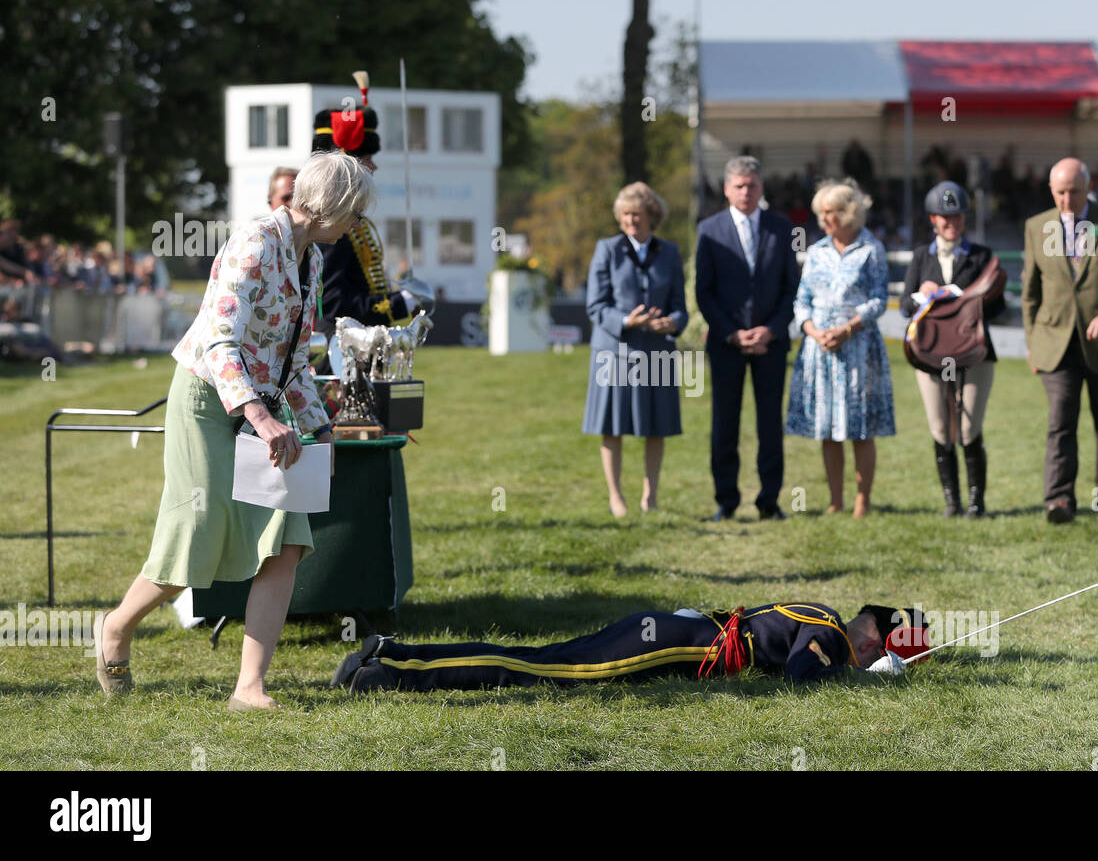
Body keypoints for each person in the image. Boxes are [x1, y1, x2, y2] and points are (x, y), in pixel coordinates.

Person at [94, 151, 375, 709]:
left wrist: (320, 431)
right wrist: (261, 416)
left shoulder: (311, 259)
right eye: (356, 212)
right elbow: (221, 341)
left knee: (287, 539)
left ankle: (249, 688)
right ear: (334, 208)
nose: (358, 225)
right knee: (198, 531)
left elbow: (294, 360)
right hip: (205, 400)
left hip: (264, 408)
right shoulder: (255, 242)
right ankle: (116, 628)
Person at [331, 601, 930, 694]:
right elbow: (802, 675)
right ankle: (392, 672)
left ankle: (392, 650)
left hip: (669, 627)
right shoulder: (828, 634)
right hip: (680, 644)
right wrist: (869, 678)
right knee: (536, 671)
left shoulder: (823, 613)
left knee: (538, 658)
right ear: (875, 639)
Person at [1022, 158, 1098, 525]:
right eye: (1060, 192)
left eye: (1074, 192)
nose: (1066, 200)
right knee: (1060, 422)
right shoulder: (1035, 227)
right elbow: (1030, 292)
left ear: (1087, 187)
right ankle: (1059, 501)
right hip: (1055, 343)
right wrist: (1033, 342)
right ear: (1051, 190)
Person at [695, 155, 800, 521]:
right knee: (725, 424)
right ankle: (726, 500)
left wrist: (770, 329)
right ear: (726, 189)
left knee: (769, 424)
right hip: (727, 346)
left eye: (752, 185)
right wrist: (733, 334)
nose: (745, 192)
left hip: (770, 345)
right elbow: (704, 292)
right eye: (738, 186)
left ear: (761, 188)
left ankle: (769, 501)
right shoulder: (709, 230)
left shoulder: (782, 229)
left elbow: (792, 289)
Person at [786, 179, 895, 518]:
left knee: (859, 428)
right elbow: (801, 300)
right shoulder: (816, 252)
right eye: (822, 212)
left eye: (831, 212)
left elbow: (879, 299)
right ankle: (836, 500)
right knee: (827, 427)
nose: (825, 218)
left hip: (858, 349)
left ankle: (862, 500)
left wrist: (848, 329)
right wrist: (813, 331)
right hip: (820, 349)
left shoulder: (871, 249)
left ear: (849, 212)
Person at [583, 182, 688, 516]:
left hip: (657, 352)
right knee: (612, 427)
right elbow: (596, 306)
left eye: (637, 215)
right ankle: (616, 497)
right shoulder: (607, 250)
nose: (631, 221)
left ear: (652, 217)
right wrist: (628, 320)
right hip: (613, 351)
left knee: (655, 426)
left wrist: (671, 323)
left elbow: (681, 307)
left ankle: (650, 496)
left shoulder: (669, 253)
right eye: (625, 215)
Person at [901, 181, 1005, 517]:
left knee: (969, 426)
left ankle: (977, 501)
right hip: (931, 353)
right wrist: (924, 294)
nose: (951, 224)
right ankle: (952, 500)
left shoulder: (981, 256)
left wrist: (965, 300)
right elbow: (904, 304)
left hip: (973, 352)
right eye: (945, 219)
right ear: (933, 220)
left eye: (957, 218)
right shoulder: (920, 257)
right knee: (940, 427)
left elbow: (998, 306)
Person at [313, 71, 419, 329]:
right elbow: (333, 302)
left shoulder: (349, 218)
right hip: (338, 348)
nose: (374, 166)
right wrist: (398, 304)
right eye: (366, 159)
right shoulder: (330, 221)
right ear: (345, 165)